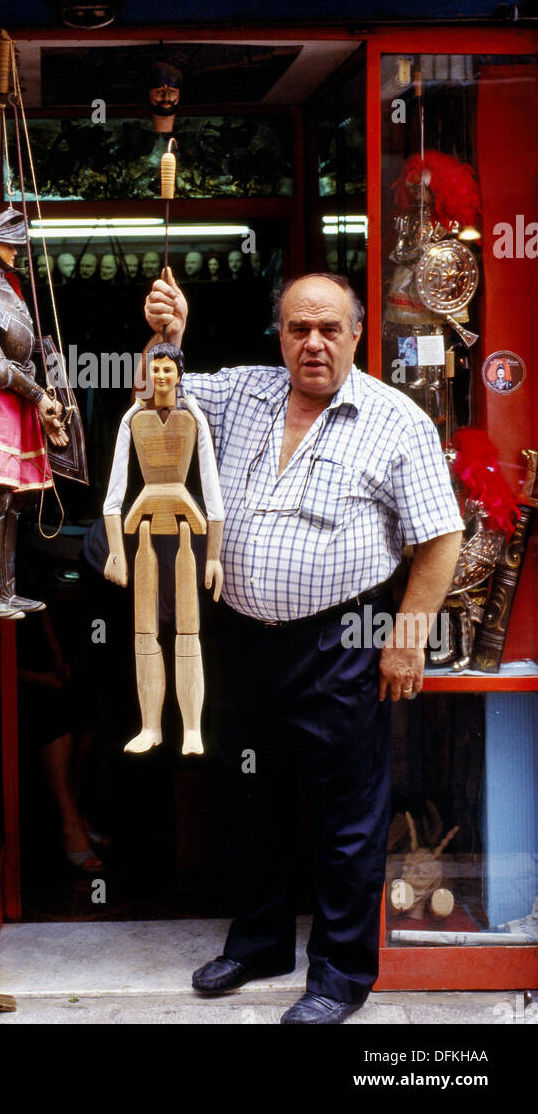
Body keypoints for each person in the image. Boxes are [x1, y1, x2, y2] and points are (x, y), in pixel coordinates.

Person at [141, 269, 463, 1024]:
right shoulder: (245, 392)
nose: (312, 344)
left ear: (356, 333)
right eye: (297, 329)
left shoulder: (395, 420)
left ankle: (341, 975)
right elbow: (157, 410)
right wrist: (168, 337)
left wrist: (407, 640)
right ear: (278, 334)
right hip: (242, 640)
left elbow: (441, 539)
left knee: (345, 817)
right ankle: (259, 943)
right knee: (247, 798)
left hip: (340, 643)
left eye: (328, 329)